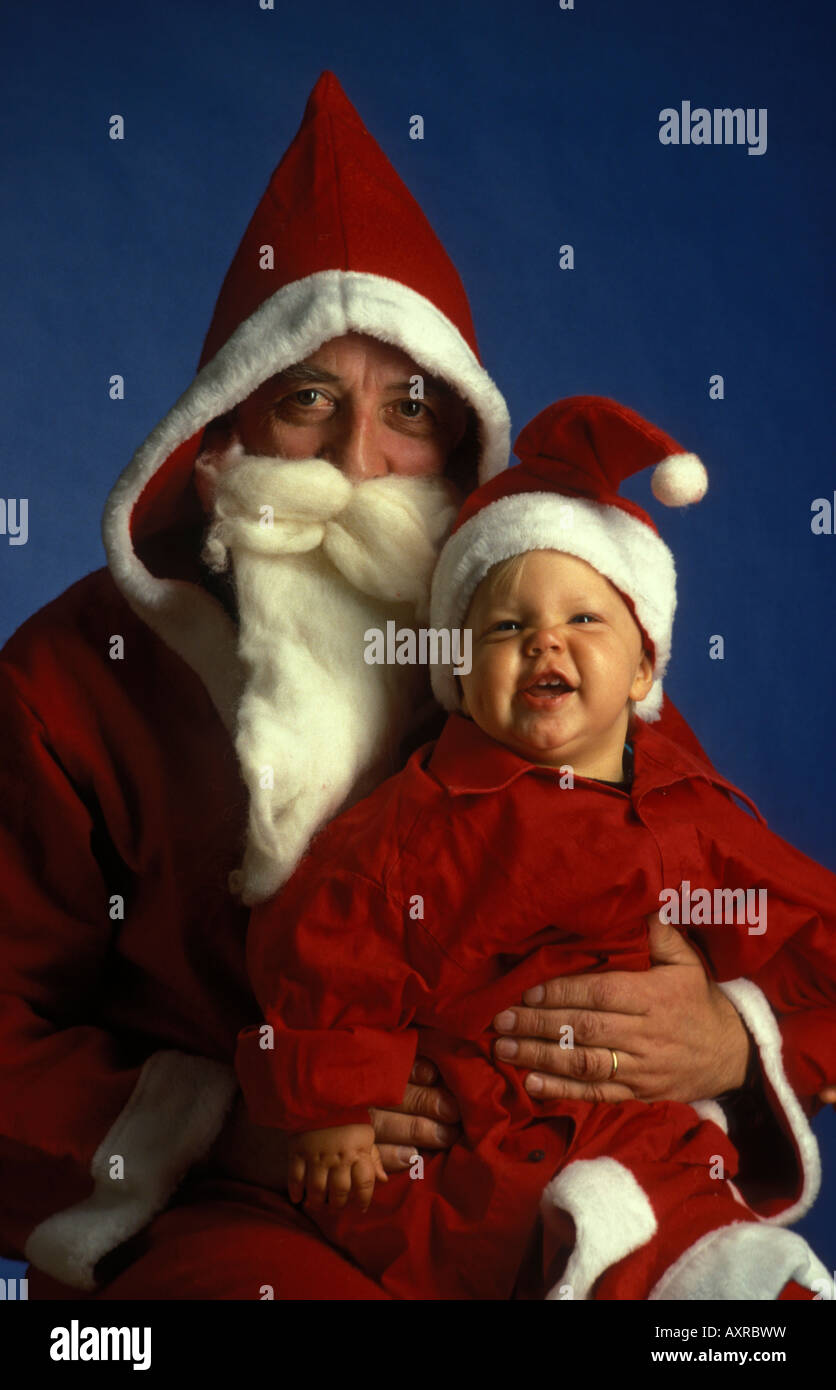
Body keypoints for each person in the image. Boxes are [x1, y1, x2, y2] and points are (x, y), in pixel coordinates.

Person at [0, 74, 823, 1302]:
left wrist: (723, 1034)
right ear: (225, 429)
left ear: (460, 445)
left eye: (408, 410)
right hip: (255, 1209)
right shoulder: (68, 682)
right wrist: (232, 1128)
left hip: (573, 1183)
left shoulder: (543, 635)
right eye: (308, 401)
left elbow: (747, 902)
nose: (352, 462)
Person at [235, 396, 836, 1300]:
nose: (545, 640)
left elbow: (803, 927)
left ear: (643, 667)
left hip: (645, 1137)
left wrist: (742, 1033)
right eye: (507, 629)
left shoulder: (689, 812)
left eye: (585, 621)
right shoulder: (418, 819)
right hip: (473, 1159)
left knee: (731, 1284)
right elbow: (323, 950)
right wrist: (335, 1105)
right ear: (462, 683)